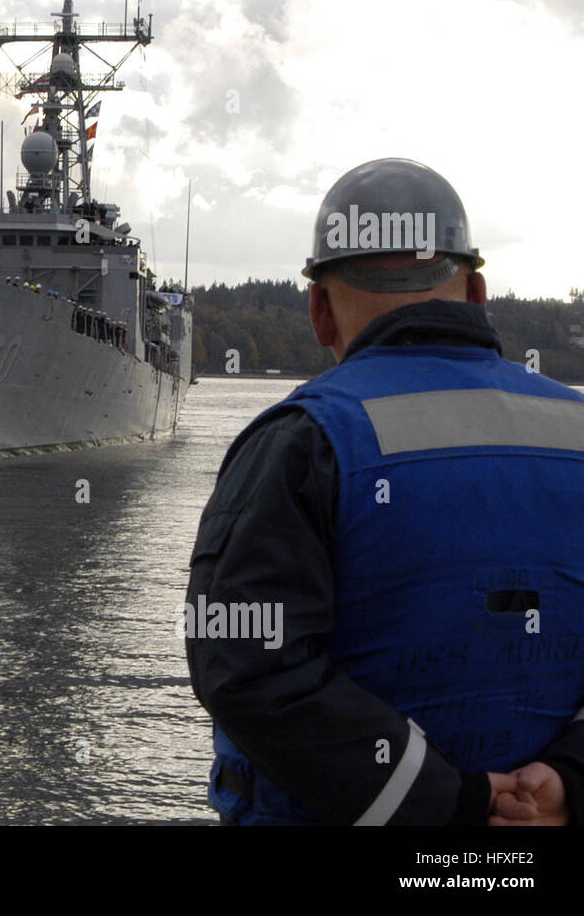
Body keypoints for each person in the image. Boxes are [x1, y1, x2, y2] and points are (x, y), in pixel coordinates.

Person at [186, 157, 584, 826]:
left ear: (318, 310)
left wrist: (451, 803)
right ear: (477, 291)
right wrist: (567, 780)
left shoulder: (304, 440)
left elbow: (244, 666)